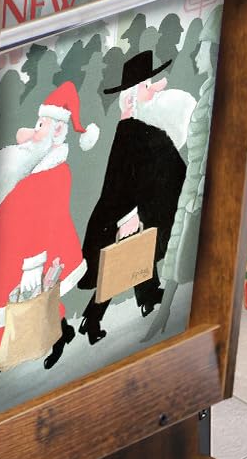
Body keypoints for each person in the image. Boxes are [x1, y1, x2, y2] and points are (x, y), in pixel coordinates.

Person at [0, 81, 99, 403]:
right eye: (37, 123)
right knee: (33, 307)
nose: (33, 131)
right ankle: (62, 334)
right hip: (21, 254)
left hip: (33, 259)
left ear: (57, 131)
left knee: (12, 314)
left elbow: (45, 221)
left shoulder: (54, 173)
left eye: (41, 125)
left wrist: (32, 263)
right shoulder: (34, 166)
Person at [75, 50, 193, 341]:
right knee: (122, 261)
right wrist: (131, 215)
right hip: (125, 212)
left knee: (137, 254)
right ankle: (93, 318)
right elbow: (120, 183)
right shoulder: (132, 131)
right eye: (146, 87)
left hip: (136, 208)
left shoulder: (140, 128)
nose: (153, 90)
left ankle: (147, 296)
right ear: (130, 98)